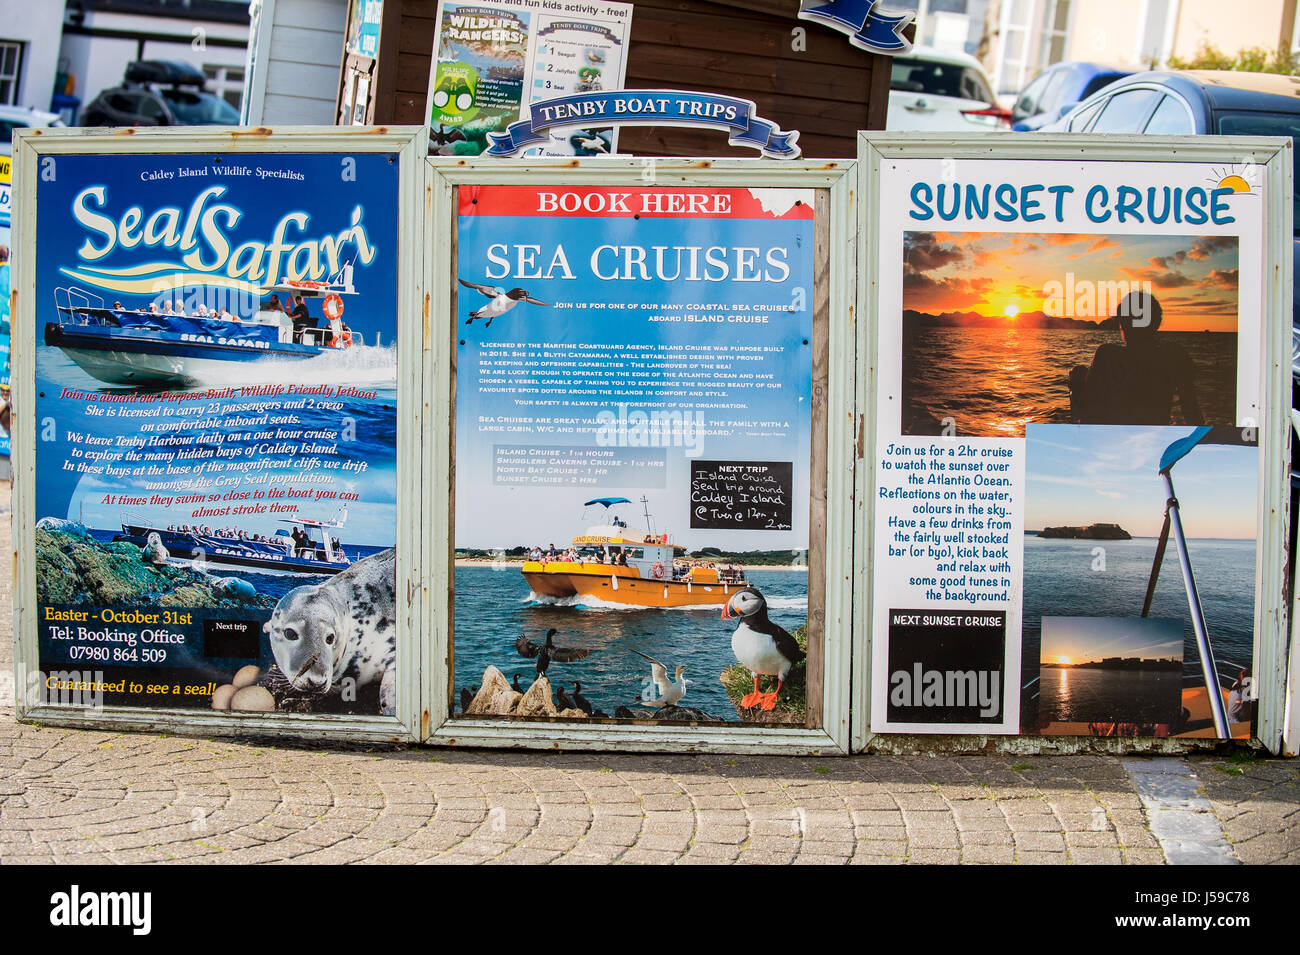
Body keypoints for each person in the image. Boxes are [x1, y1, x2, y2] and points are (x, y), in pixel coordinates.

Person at [1070, 290, 1204, 426]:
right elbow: (1191, 410)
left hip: (1112, 436)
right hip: (1154, 435)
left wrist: (1076, 388)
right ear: (1157, 323)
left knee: (1078, 374)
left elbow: (1090, 411)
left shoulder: (1107, 355)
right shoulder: (1174, 355)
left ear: (1122, 323)